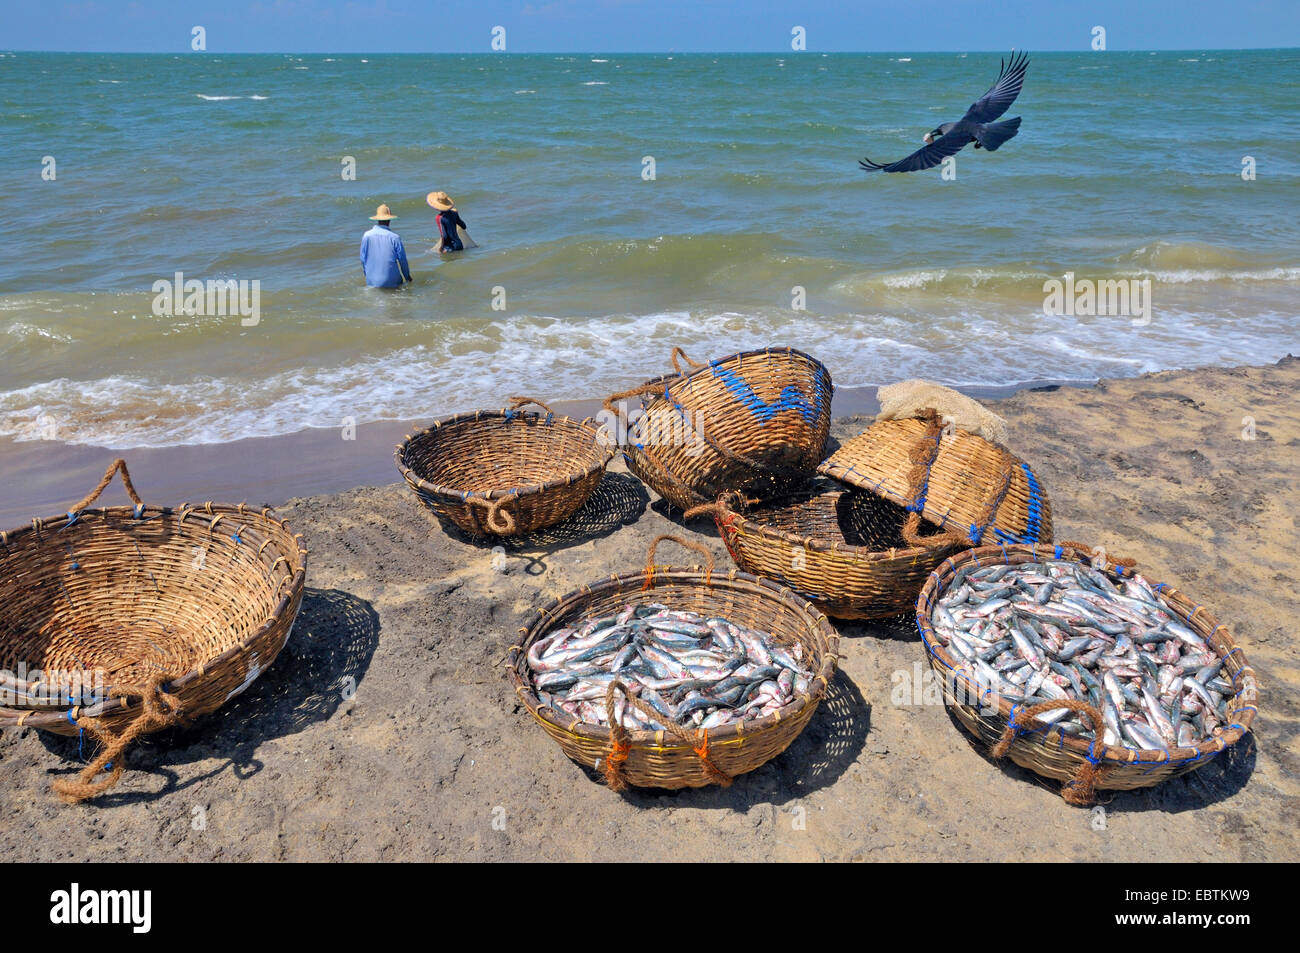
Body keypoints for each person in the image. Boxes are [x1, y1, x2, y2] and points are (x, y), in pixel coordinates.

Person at [360, 203, 412, 287]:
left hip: (371, 282)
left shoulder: (366, 235)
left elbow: (363, 259)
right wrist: (408, 278)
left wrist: (368, 276)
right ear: (389, 220)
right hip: (392, 282)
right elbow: (403, 261)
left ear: (377, 220)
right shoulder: (394, 238)